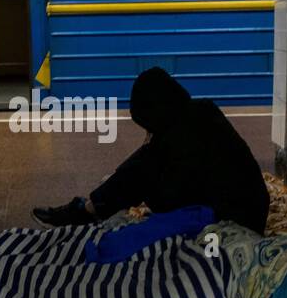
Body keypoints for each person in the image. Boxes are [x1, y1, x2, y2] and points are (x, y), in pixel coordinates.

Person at [32, 67, 270, 234]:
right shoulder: (199, 113)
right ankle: (93, 206)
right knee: (145, 164)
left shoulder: (179, 137)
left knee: (144, 168)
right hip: (248, 211)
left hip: (234, 219)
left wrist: (142, 188)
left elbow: (169, 195)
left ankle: (89, 208)